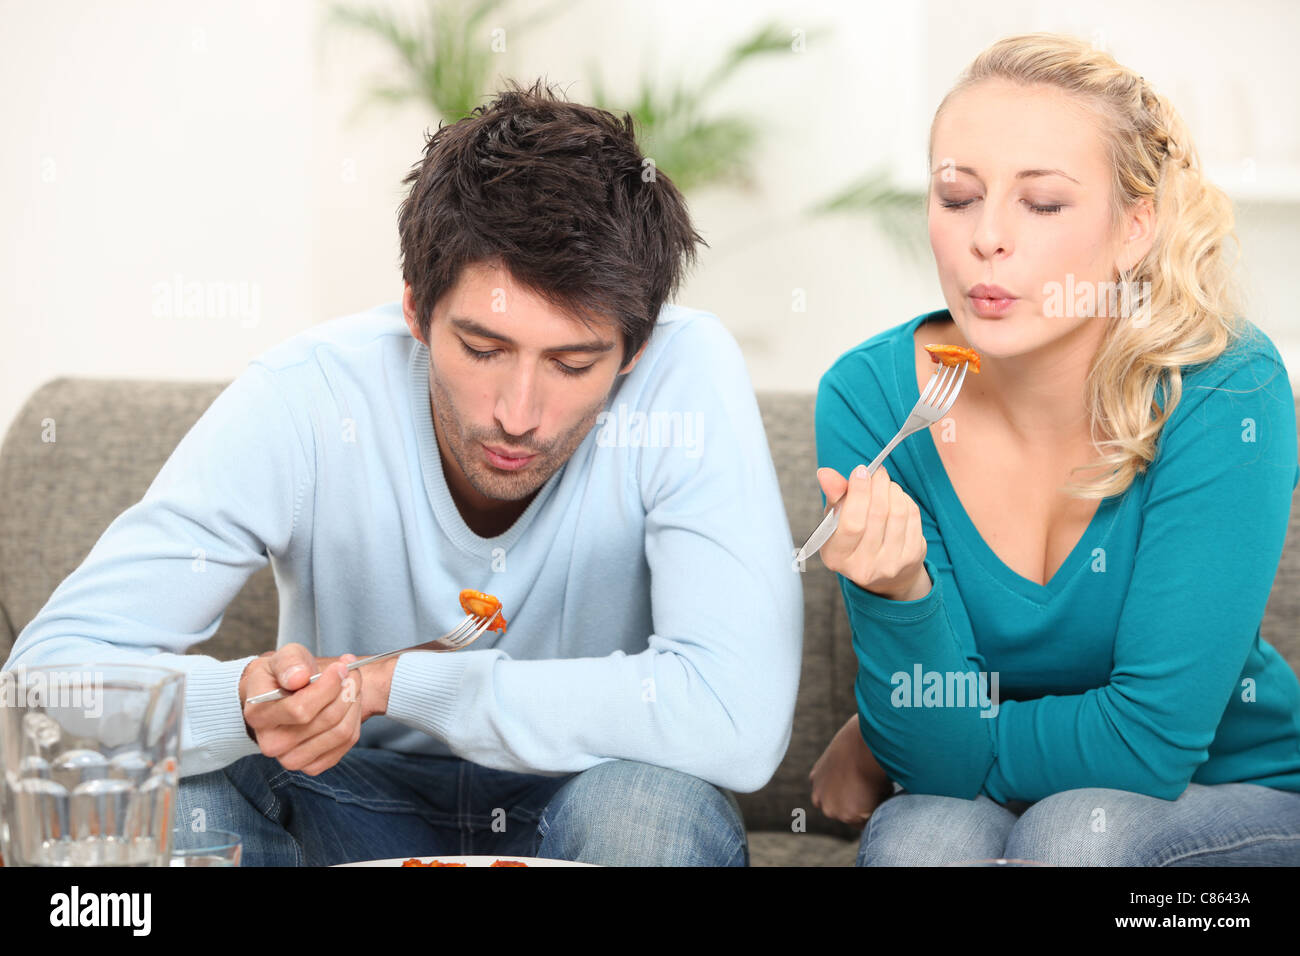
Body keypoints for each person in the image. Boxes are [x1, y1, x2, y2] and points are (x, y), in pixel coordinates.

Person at [4, 79, 802, 866]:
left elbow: (735, 715)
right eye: (483, 350)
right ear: (416, 311)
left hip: (588, 792)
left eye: (573, 362)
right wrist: (241, 703)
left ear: (636, 351)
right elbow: (38, 696)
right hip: (338, 797)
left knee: (650, 811)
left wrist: (404, 686)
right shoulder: (308, 397)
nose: (518, 413)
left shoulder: (685, 377)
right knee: (163, 797)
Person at [806, 33, 1300, 866]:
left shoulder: (1226, 389)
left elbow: (1147, 741)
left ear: (1134, 226)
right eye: (957, 196)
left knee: (1073, 840)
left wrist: (920, 730)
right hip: (989, 797)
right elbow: (931, 768)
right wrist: (899, 594)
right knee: (921, 843)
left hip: (1231, 790)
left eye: (1043, 205)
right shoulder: (872, 400)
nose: (987, 239)